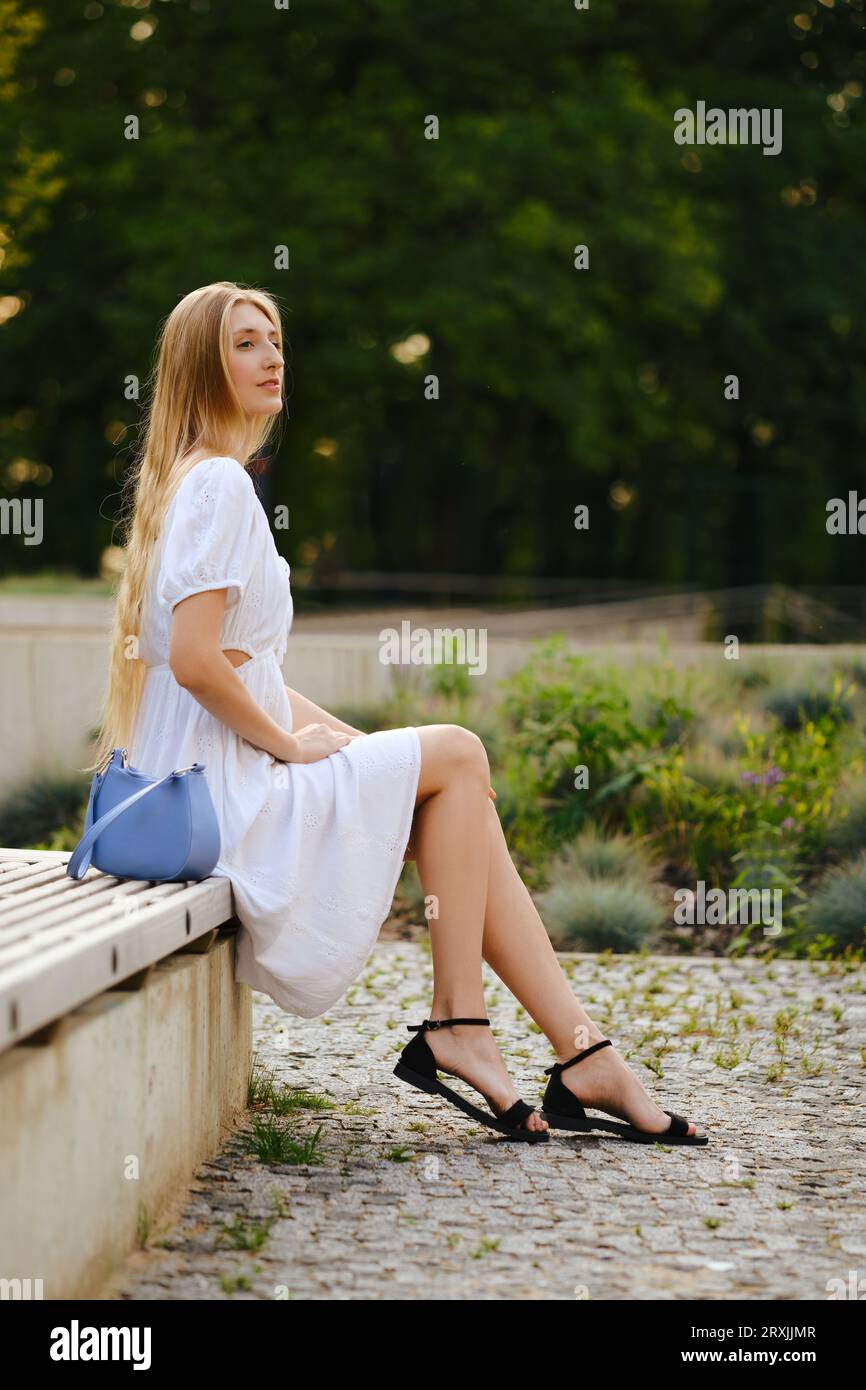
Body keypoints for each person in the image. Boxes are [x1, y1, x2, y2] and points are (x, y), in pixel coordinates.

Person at [87, 280, 706, 1147]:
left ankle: (583, 1053)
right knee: (459, 752)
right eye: (245, 344)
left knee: (458, 799)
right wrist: (289, 747)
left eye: (275, 341)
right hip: (219, 800)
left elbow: (243, 670)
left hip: (205, 784)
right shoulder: (219, 483)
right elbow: (194, 664)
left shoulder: (192, 483)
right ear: (201, 367)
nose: (272, 359)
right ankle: (461, 1025)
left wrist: (346, 741)